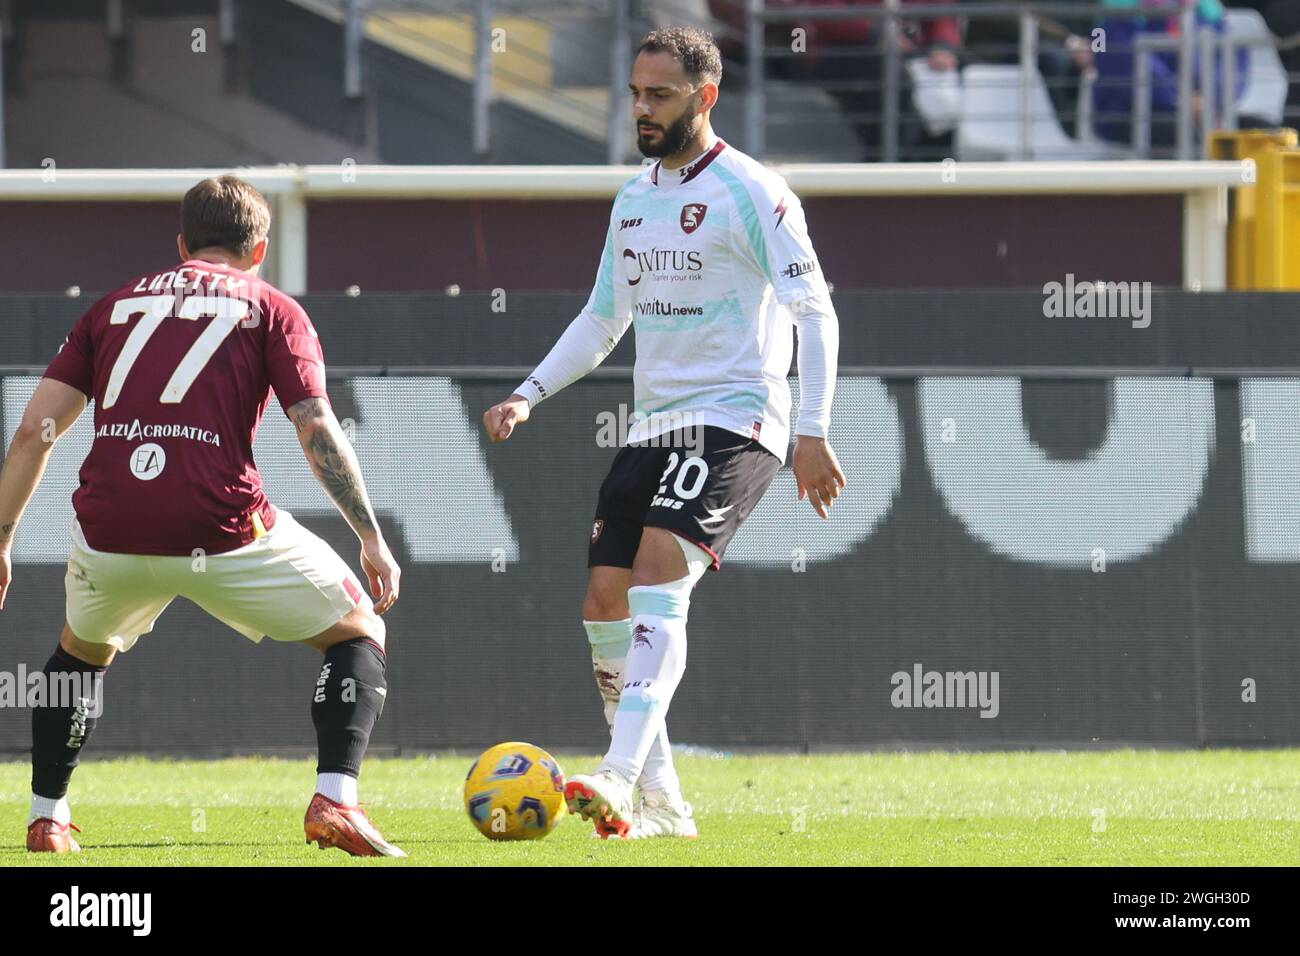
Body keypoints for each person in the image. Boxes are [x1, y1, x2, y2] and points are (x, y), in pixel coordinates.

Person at [482, 27, 845, 839]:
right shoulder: (634, 197)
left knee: (655, 578)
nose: (642, 109)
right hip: (654, 426)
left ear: (705, 96)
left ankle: (615, 771)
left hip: (737, 417)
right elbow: (604, 318)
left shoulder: (753, 190)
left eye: (661, 96)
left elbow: (813, 311)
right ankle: (663, 802)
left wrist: (813, 430)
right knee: (603, 601)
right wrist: (529, 393)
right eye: (637, 94)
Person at [0, 175, 404, 857]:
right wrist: (370, 536)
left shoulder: (112, 306)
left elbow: (34, 431)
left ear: (182, 243)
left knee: (80, 652)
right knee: (358, 626)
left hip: (110, 527)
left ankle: (47, 817)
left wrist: (2, 537)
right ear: (260, 249)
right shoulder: (273, 309)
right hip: (220, 526)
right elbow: (315, 427)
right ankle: (335, 800)